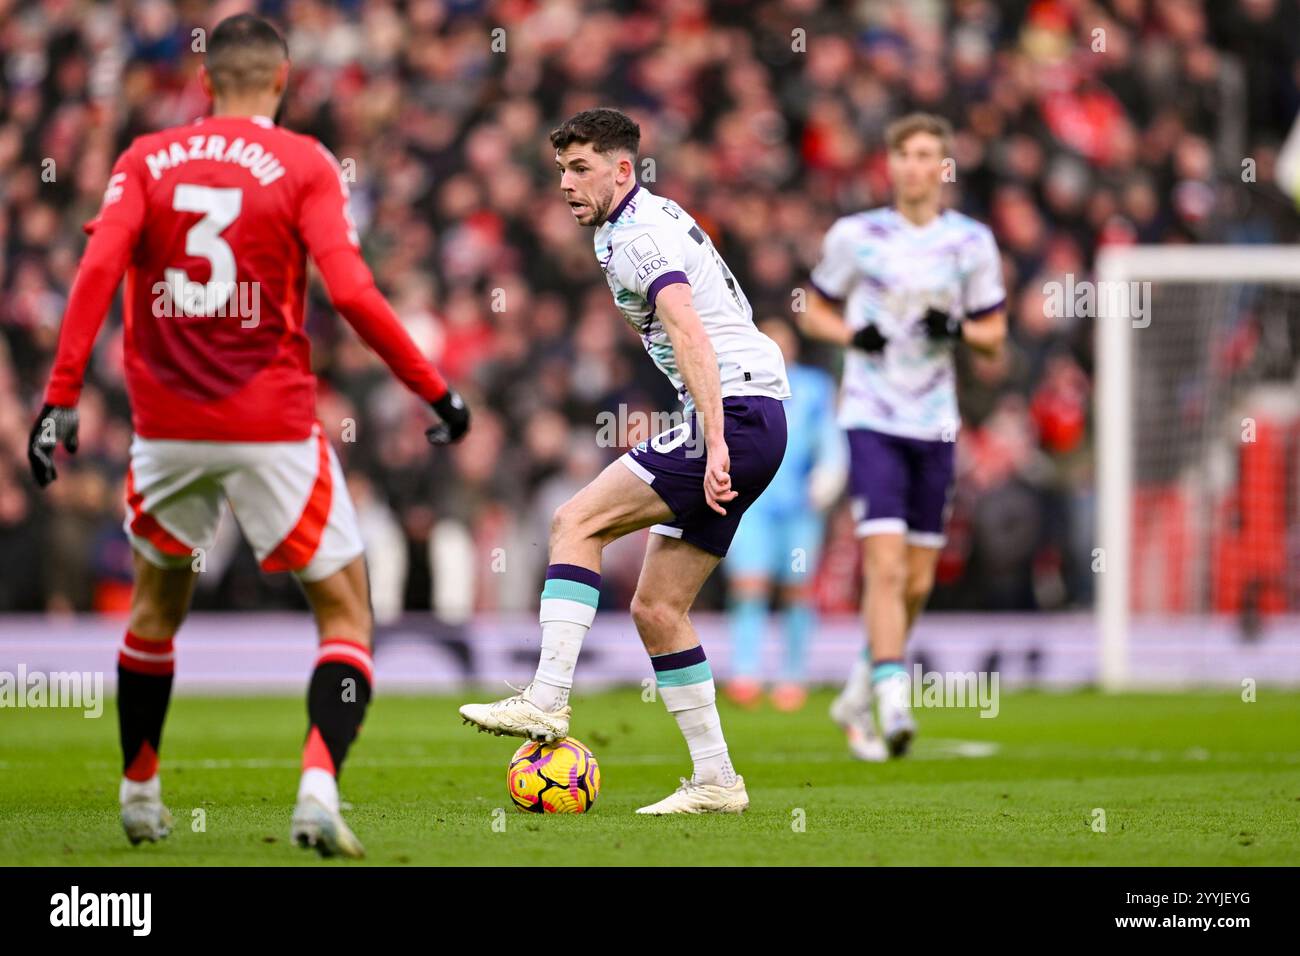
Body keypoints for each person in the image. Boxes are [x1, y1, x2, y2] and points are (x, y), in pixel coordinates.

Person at [26, 14, 469, 858]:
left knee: (155, 613)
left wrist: (60, 397)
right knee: (345, 615)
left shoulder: (146, 158)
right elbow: (354, 293)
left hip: (166, 429)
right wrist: (435, 389)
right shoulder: (303, 163)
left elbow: (95, 271)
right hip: (271, 423)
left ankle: (140, 792)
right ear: (282, 81)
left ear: (205, 83)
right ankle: (316, 791)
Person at [459, 108, 790, 814]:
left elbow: (689, 330)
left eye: (580, 170)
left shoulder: (639, 235)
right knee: (659, 608)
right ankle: (717, 781)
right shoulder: (637, 222)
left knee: (574, 522)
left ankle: (547, 698)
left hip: (735, 411)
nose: (566, 185)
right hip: (754, 414)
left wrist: (715, 438)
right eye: (560, 172)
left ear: (621, 169)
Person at [799, 113, 1006, 759]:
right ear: (891, 164)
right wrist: (849, 335)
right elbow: (811, 309)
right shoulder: (857, 236)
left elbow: (995, 341)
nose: (918, 167)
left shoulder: (971, 243)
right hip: (872, 416)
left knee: (917, 582)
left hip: (935, 422)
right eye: (907, 154)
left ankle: (859, 688)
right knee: (884, 567)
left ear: (945, 168)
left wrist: (959, 332)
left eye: (929, 156)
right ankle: (892, 700)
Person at [722, 318, 846, 714]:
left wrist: (827, 479)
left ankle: (793, 676)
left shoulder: (813, 387)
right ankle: (746, 674)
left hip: (800, 505)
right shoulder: (735, 384)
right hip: (751, 503)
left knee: (797, 588)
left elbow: (831, 438)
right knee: (749, 586)